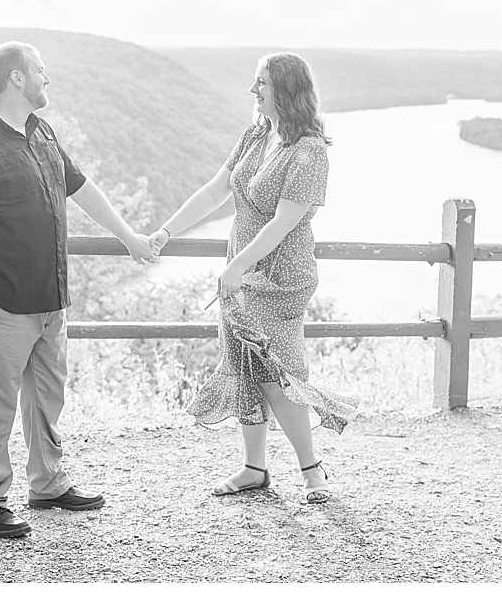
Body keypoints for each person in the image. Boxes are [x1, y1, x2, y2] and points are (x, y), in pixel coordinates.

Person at [0, 41, 156, 540]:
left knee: (46, 400)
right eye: (40, 70)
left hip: (51, 299)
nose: (46, 78)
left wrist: (129, 239)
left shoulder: (41, 131)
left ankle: (48, 484)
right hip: (3, 305)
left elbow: (79, 188)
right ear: (17, 78)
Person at [146, 52, 357, 503]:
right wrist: (166, 231)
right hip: (238, 270)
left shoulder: (309, 150)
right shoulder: (255, 134)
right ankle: (253, 468)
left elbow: (284, 221)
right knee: (245, 364)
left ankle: (312, 470)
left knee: (278, 371)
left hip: (279, 275)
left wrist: (238, 266)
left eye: (260, 83)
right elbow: (214, 191)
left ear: (284, 89)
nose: (252, 90)